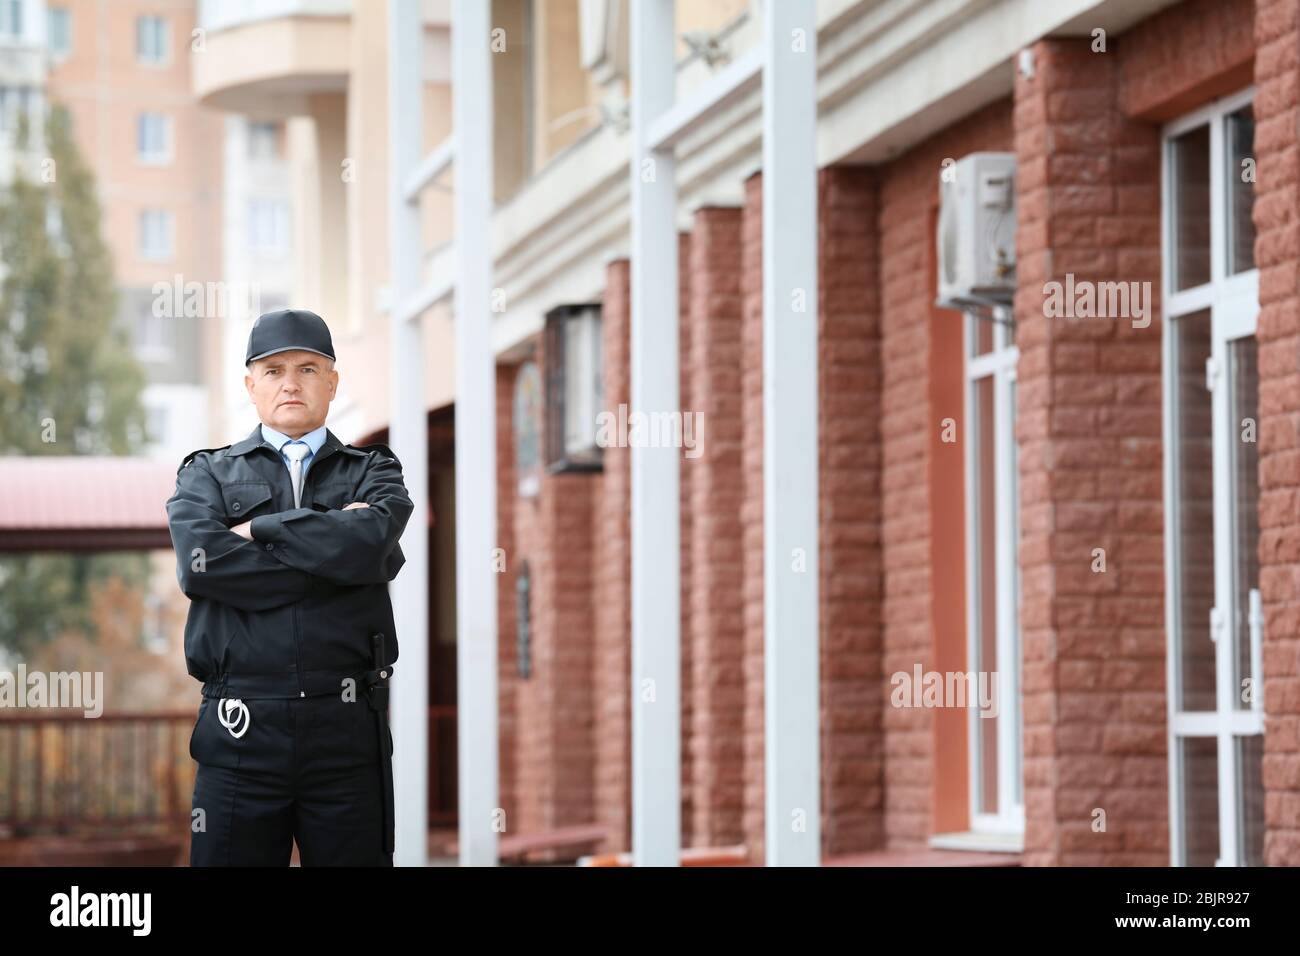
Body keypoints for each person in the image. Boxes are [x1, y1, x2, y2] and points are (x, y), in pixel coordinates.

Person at [165, 308, 412, 866]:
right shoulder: (206, 474)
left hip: (345, 731)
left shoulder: (374, 470)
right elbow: (201, 565)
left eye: (307, 368)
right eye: (273, 370)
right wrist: (335, 556)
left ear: (332, 382)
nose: (291, 383)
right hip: (240, 730)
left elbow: (371, 539)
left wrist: (260, 530)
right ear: (251, 385)